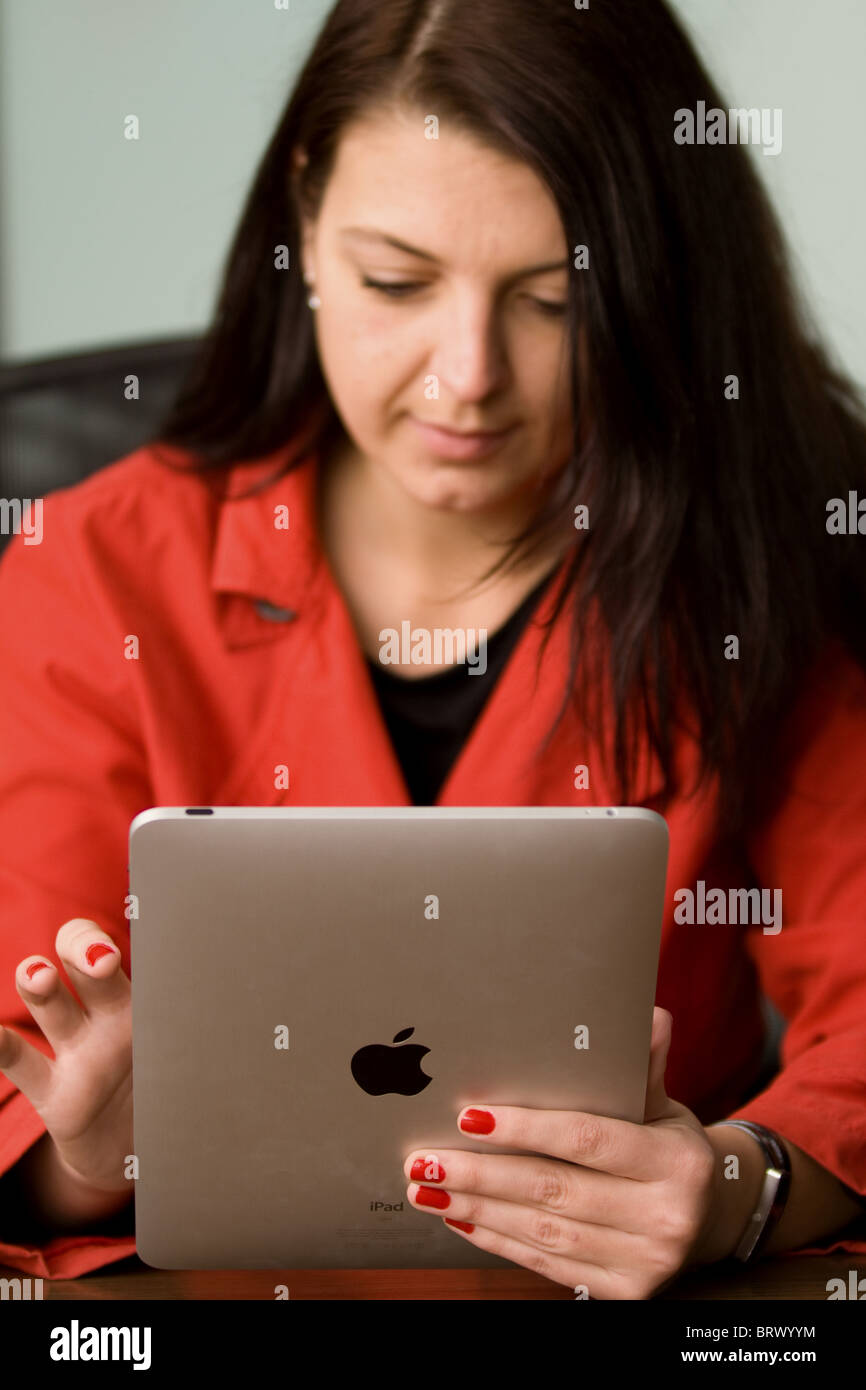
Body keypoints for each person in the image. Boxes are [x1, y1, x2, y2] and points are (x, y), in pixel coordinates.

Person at [1, 0, 866, 1298]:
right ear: (301, 219)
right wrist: (92, 1157)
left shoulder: (758, 544)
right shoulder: (90, 568)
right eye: (396, 282)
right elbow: (20, 1059)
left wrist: (736, 1186)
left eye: (550, 298)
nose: (465, 375)